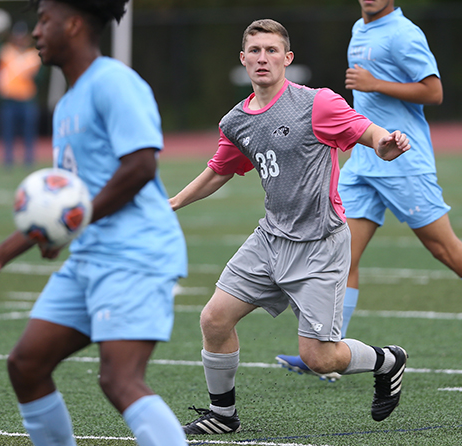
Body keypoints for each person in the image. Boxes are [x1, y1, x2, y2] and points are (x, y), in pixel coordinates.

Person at [0, 0, 188, 445]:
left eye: (46, 20)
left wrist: (76, 224)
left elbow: (140, 166)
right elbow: (64, 205)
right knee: (26, 365)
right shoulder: (66, 105)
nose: (38, 31)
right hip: (89, 257)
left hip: (135, 254)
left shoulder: (114, 82)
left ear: (76, 24)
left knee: (119, 380)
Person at [276, 0, 462, 378]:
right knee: (342, 256)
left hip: (403, 161)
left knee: (443, 248)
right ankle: (330, 353)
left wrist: (374, 84)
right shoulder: (359, 28)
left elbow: (433, 92)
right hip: (366, 159)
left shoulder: (404, 34)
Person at [172, 19, 411, 435]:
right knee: (214, 319)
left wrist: (384, 144)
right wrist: (172, 203)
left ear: (288, 58)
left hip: (320, 243)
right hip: (270, 239)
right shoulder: (236, 121)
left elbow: (366, 131)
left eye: (271, 50)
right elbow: (219, 170)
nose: (263, 58)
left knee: (320, 358)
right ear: (243, 59)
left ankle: (388, 360)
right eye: (255, 51)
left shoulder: (317, 103)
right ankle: (223, 416)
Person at [0, 20, 42, 169]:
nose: (20, 39)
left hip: (27, 100)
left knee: (29, 133)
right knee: (7, 133)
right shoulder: (6, 51)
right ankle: (8, 161)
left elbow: (40, 77)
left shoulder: (33, 55)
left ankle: (28, 161)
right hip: (9, 100)